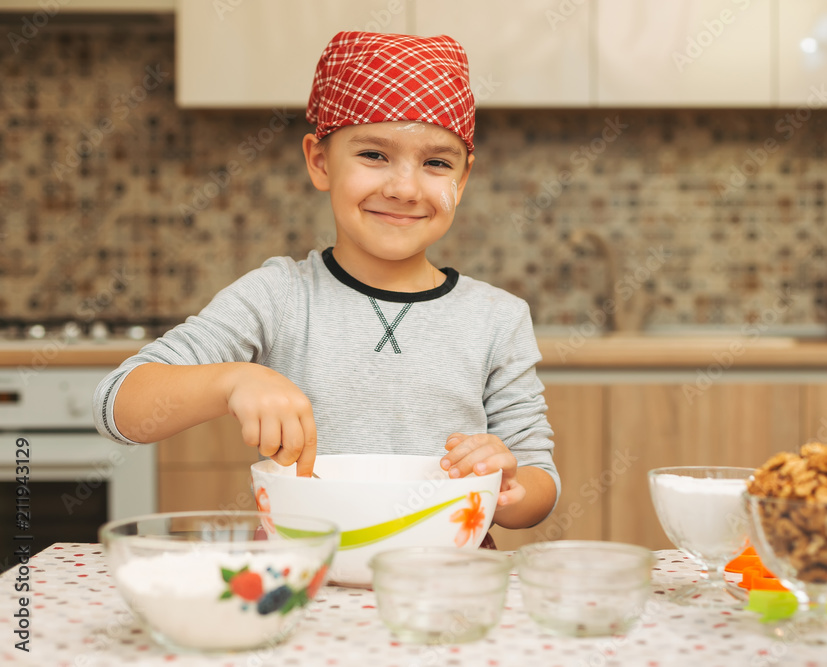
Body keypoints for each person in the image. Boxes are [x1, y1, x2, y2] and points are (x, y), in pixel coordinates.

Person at [92, 31, 559, 530]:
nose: (403, 188)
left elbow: (539, 484)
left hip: (443, 586)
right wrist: (232, 379)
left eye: (436, 163)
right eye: (374, 155)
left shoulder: (498, 317)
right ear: (319, 161)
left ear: (460, 181)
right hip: (302, 578)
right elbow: (118, 405)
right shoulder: (276, 297)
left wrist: (506, 477)